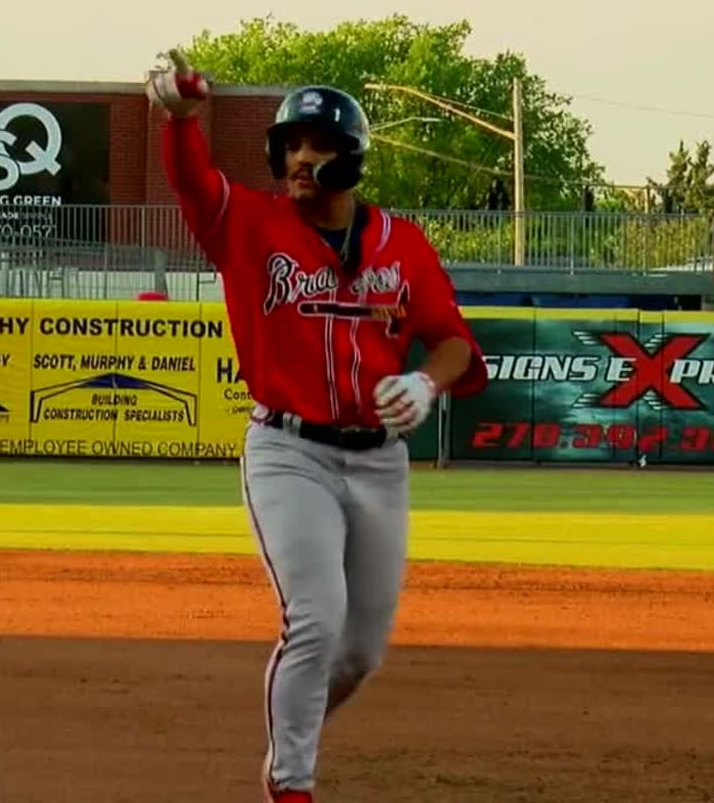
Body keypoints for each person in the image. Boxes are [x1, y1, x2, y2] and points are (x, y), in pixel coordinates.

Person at [146, 50, 489, 802]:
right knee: (315, 619)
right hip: (287, 451)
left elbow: (454, 340)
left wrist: (426, 382)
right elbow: (192, 184)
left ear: (352, 159)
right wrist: (179, 120)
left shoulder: (403, 243)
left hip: (378, 461)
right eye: (292, 144)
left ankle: (288, 730)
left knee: (359, 651)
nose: (301, 158)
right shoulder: (248, 223)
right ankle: (290, 782)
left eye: (319, 146)